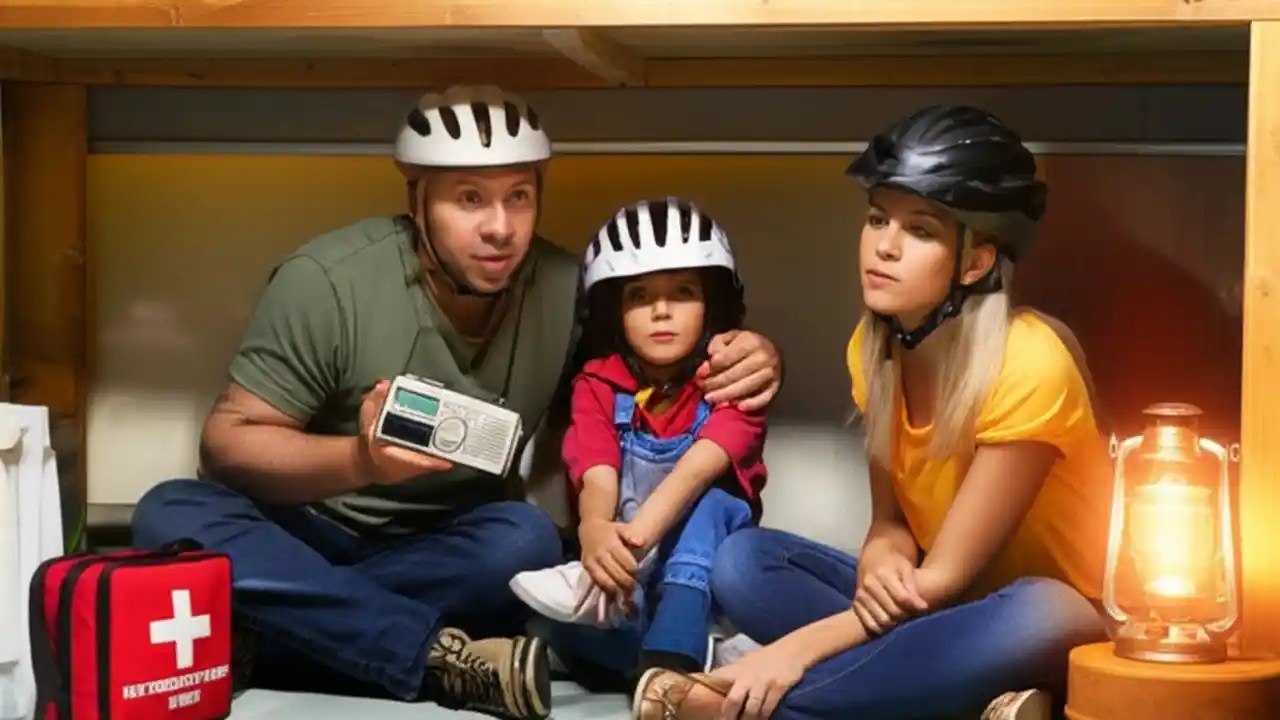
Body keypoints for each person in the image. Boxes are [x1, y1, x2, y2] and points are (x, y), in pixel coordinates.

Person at [128, 85, 784, 720]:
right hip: (304, 531)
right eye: (469, 199)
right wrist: (361, 462)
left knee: (524, 539)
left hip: (445, 548)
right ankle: (435, 655)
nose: (499, 228)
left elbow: (644, 368)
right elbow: (228, 442)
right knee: (171, 511)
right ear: (417, 200)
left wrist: (750, 350)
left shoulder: (562, 289)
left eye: (520, 198)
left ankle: (279, 638)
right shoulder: (327, 281)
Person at [630, 104, 1114, 720]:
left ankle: (740, 707)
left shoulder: (1031, 362)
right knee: (743, 563)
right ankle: (970, 704)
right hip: (935, 614)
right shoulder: (874, 348)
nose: (883, 246)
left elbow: (945, 576)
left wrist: (789, 654)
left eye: (920, 230)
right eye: (878, 218)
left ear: (976, 261)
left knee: (1047, 609)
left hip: (1025, 618)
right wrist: (882, 552)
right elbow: (893, 523)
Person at [507, 198, 767, 686]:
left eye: (683, 292)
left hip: (707, 574)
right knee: (552, 628)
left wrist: (632, 542)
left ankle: (674, 651)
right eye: (639, 296)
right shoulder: (597, 383)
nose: (662, 311)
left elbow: (698, 468)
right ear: (613, 311)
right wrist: (595, 531)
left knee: (714, 503)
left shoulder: (733, 382)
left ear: (713, 303)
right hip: (629, 570)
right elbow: (597, 466)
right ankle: (682, 653)